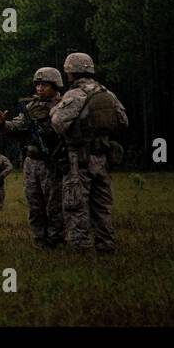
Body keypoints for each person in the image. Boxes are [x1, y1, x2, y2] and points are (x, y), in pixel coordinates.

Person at [51, 52, 128, 254]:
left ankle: (81, 249)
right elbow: (123, 120)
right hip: (102, 158)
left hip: (79, 158)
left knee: (76, 203)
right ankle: (106, 245)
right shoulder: (107, 93)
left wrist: (55, 110)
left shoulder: (75, 94)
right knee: (102, 204)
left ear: (70, 71)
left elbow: (58, 123)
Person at [0, 67, 66, 248]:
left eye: (45, 85)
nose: (40, 88)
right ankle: (40, 240)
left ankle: (56, 240)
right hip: (32, 162)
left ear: (55, 85)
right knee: (34, 203)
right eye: (38, 85)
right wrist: (4, 124)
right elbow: (17, 125)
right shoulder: (31, 107)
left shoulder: (63, 105)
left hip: (53, 162)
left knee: (54, 205)